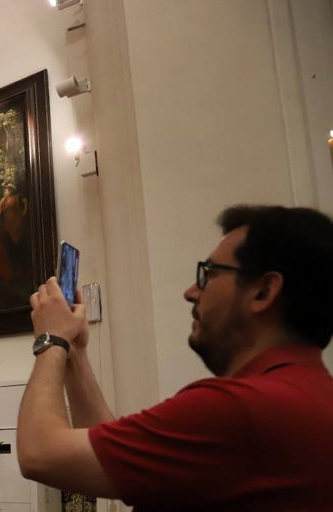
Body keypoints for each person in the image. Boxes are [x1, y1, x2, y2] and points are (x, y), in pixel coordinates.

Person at [17, 205, 333, 510]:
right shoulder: (308, 394)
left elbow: (40, 454)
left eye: (208, 274)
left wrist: (51, 338)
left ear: (264, 291)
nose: (191, 291)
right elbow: (111, 459)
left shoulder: (241, 409)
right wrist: (75, 353)